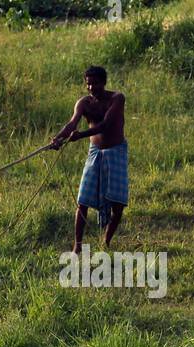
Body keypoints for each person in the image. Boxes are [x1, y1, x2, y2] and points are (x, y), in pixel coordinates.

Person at [50, 65, 126, 252]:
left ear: (104, 82)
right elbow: (72, 123)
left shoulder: (117, 98)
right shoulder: (84, 103)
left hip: (116, 151)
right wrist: (58, 138)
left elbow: (106, 125)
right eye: (88, 84)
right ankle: (77, 246)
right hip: (95, 151)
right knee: (83, 201)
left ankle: (106, 241)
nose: (92, 88)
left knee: (118, 204)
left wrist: (80, 135)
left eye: (96, 83)